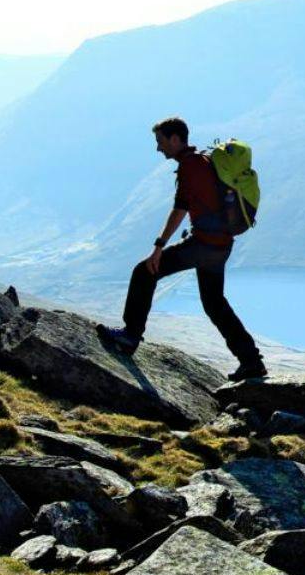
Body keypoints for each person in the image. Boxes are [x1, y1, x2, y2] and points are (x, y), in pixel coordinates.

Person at [98, 117, 267, 380]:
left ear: (175, 139)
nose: (159, 148)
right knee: (214, 303)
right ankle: (251, 361)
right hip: (221, 246)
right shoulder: (206, 161)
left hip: (203, 245)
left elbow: (180, 209)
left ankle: (130, 336)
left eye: (161, 141)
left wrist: (159, 246)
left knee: (144, 272)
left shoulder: (191, 167)